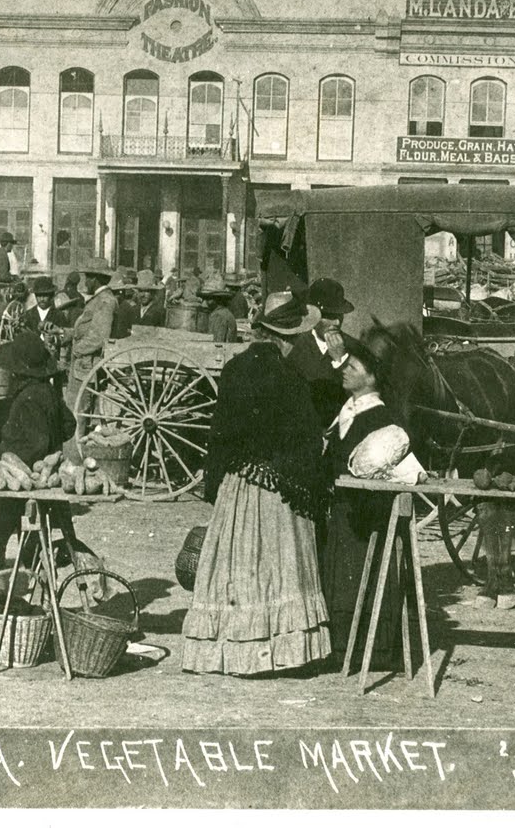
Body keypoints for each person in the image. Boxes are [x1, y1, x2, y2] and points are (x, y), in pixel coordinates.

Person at [182, 292, 332, 676]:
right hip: (278, 492)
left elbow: (219, 437)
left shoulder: (233, 369)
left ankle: (231, 652)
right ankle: (278, 653)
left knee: (238, 571)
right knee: (278, 570)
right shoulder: (291, 378)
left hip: (238, 486)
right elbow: (306, 440)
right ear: (288, 337)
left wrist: (217, 490)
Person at [321, 340, 427, 663]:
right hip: (343, 513)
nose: (345, 371)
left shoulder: (381, 417)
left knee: (361, 579)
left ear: (371, 379)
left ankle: (374, 650)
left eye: (352, 367)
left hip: (366, 519)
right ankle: (341, 647)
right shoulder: (346, 410)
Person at [0, 332, 90, 575]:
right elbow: (69, 425)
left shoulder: (28, 398)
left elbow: (35, 444)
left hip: (25, 482)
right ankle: (40, 597)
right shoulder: (46, 391)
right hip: (48, 485)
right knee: (37, 546)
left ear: (18, 372)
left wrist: (11, 457)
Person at [289, 277, 354, 427]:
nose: (337, 322)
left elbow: (364, 399)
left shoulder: (354, 348)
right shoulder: (297, 350)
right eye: (330, 316)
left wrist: (341, 361)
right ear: (313, 315)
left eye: (339, 316)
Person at [64, 257, 118, 408]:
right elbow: (86, 330)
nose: (85, 282)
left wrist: (76, 349)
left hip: (87, 365)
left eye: (87, 278)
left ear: (95, 279)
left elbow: (99, 337)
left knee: (77, 409)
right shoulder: (100, 299)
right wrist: (65, 333)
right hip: (83, 364)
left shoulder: (105, 300)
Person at [201, 275, 240, 342]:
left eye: (209, 299)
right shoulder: (224, 312)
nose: (205, 303)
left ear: (218, 299)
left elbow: (218, 342)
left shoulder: (219, 316)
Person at [109, 270, 139, 339]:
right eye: (113, 293)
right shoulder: (107, 305)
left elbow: (133, 329)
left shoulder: (128, 307)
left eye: (119, 292)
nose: (117, 296)